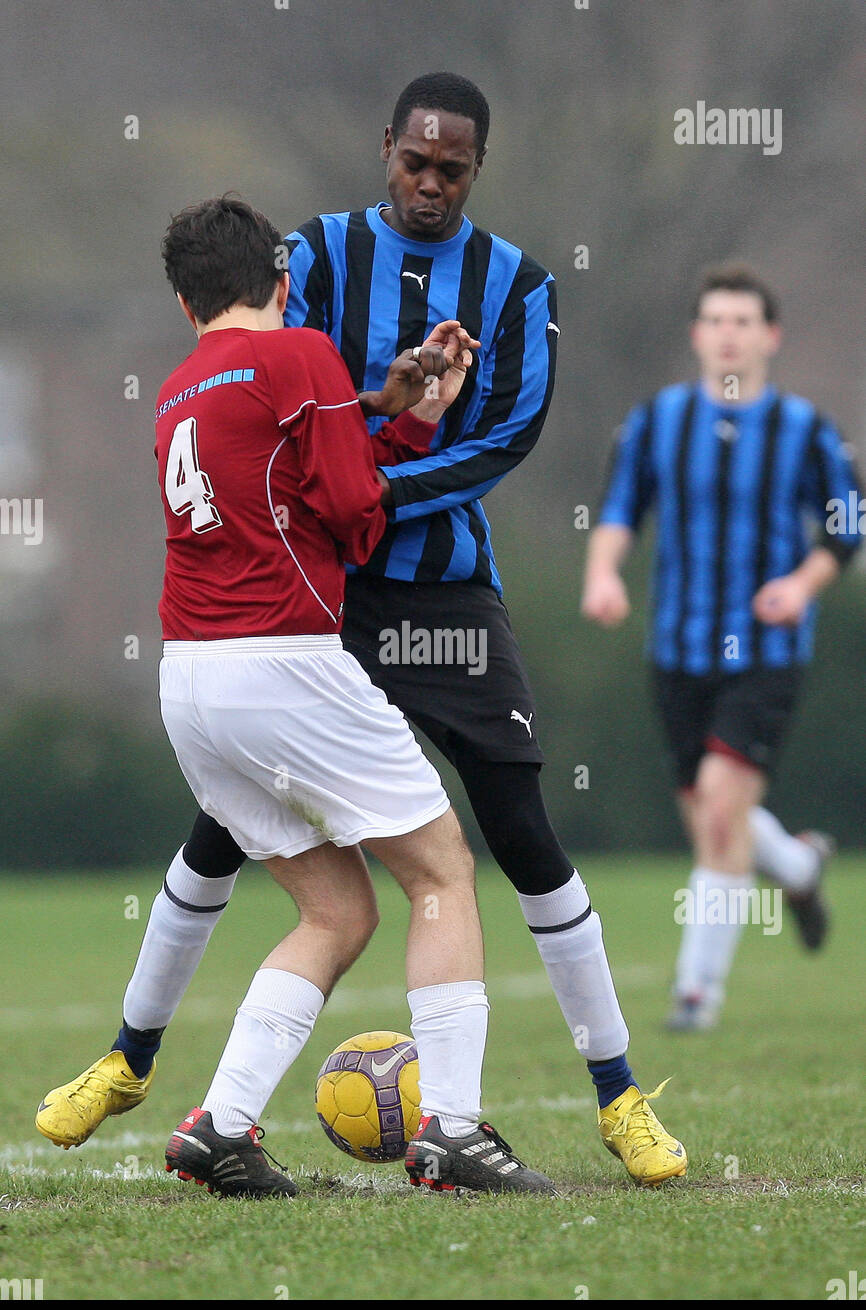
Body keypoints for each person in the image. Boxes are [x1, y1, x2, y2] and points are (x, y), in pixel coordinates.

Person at [39, 73, 686, 1187]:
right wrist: (382, 441)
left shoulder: (518, 285)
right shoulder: (312, 257)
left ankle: (618, 1095)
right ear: (386, 148)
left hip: (431, 593)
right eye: (414, 163)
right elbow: (293, 415)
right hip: (317, 595)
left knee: (520, 830)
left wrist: (382, 453)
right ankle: (129, 1060)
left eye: (452, 170)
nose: (430, 184)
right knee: (227, 836)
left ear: (477, 169)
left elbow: (503, 439)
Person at [582, 262, 862, 1030]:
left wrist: (802, 584)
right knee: (712, 813)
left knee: (719, 815)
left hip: (768, 652)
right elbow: (618, 510)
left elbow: (847, 521)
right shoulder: (656, 422)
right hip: (678, 650)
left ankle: (695, 994)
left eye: (743, 321)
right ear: (697, 334)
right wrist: (603, 574)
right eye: (715, 320)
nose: (728, 334)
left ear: (770, 336)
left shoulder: (804, 429)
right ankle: (799, 866)